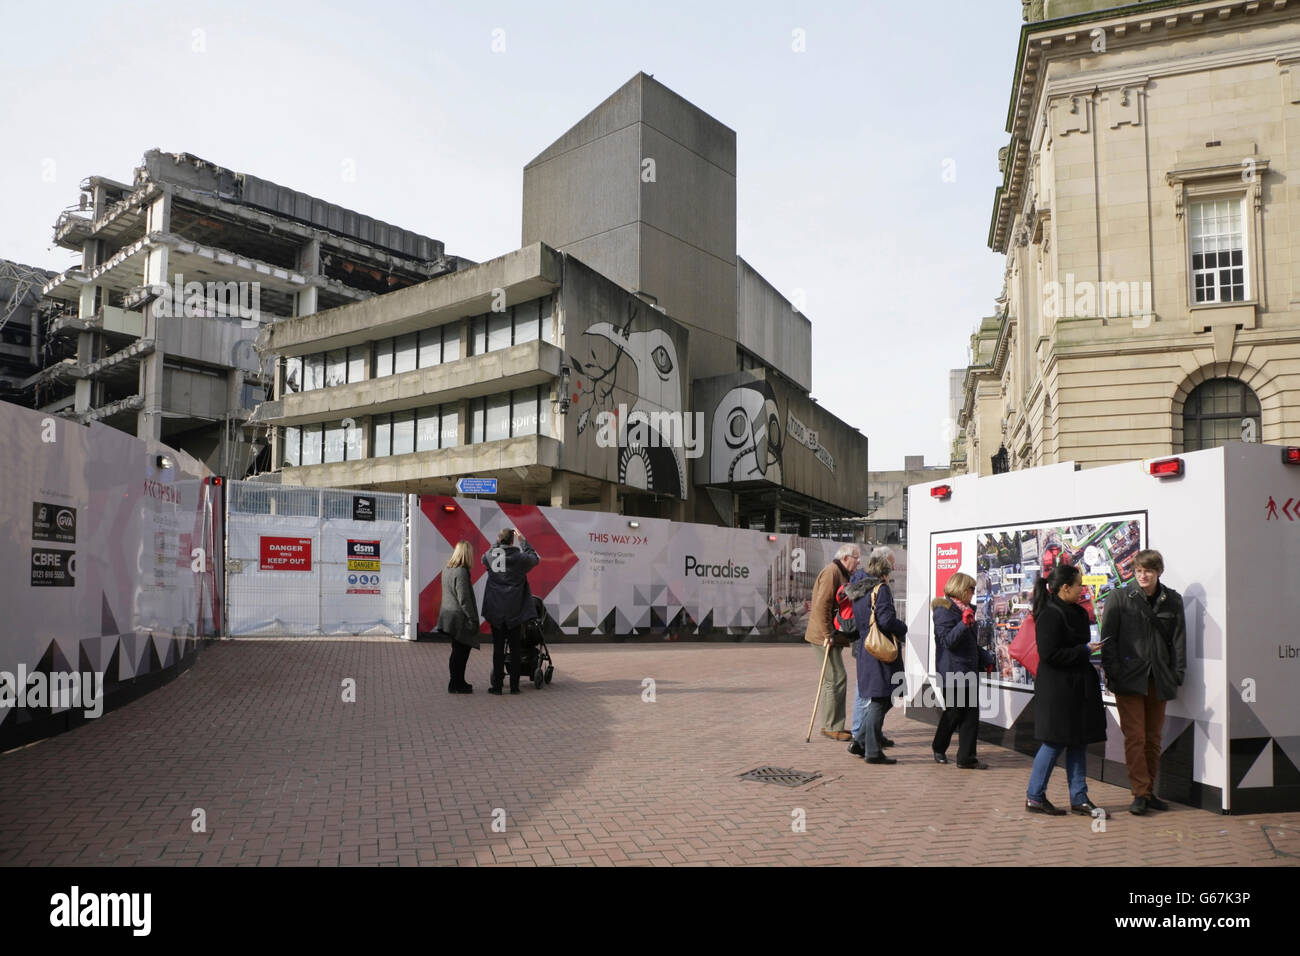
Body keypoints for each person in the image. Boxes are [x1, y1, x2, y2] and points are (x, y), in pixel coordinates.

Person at [1100, 549, 1186, 815]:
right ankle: (1140, 792)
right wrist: (1113, 672)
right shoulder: (1120, 597)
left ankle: (1148, 792)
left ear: (1158, 571)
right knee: (1135, 738)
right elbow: (1108, 640)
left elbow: (1180, 639)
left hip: (1159, 678)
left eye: (1148, 570)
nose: (1142, 575)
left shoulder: (1172, 600)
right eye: (1138, 571)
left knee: (1153, 738)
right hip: (1129, 678)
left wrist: (1178, 673)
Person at [1025, 563, 1108, 817]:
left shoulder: (1076, 611)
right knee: (1054, 742)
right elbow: (1049, 654)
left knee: (1078, 742)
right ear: (1065, 587)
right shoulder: (1050, 614)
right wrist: (1083, 650)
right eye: (1079, 584)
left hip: (1077, 687)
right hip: (1058, 689)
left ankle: (1079, 797)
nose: (1082, 588)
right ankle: (1035, 796)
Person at [848, 552, 908, 765]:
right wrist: (903, 628)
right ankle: (872, 751)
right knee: (881, 699)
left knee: (880, 697)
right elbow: (886, 620)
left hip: (867, 648)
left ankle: (860, 741)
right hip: (881, 650)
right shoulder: (880, 590)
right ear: (884, 573)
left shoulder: (859, 591)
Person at [931, 572, 994, 768]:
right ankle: (939, 747)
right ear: (961, 588)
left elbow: (970, 644)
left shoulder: (967, 610)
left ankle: (966, 757)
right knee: (955, 712)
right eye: (971, 589)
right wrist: (963, 624)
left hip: (968, 669)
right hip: (952, 670)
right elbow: (947, 641)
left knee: (971, 714)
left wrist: (986, 659)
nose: (973, 594)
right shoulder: (944, 610)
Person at [806, 543, 859, 741]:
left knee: (837, 677)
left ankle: (835, 724)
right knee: (835, 677)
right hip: (823, 636)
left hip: (832, 635)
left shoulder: (841, 572)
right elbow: (822, 605)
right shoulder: (831, 572)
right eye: (856, 557)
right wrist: (827, 633)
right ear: (845, 558)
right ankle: (830, 726)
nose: (858, 561)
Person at [481, 527, 540, 695]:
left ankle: (497, 686)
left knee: (498, 649)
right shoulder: (520, 558)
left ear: (500, 540)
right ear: (513, 541)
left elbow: (483, 557)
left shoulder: (491, 556)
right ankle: (514, 686)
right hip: (515, 611)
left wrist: (496, 544)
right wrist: (523, 541)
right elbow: (535, 559)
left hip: (496, 610)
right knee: (515, 649)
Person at [437, 541, 479, 693]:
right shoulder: (461, 572)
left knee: (457, 651)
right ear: (466, 554)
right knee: (461, 652)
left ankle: (457, 681)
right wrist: (473, 618)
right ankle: (456, 683)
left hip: (449, 616)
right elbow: (464, 599)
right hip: (459, 619)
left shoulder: (447, 569)